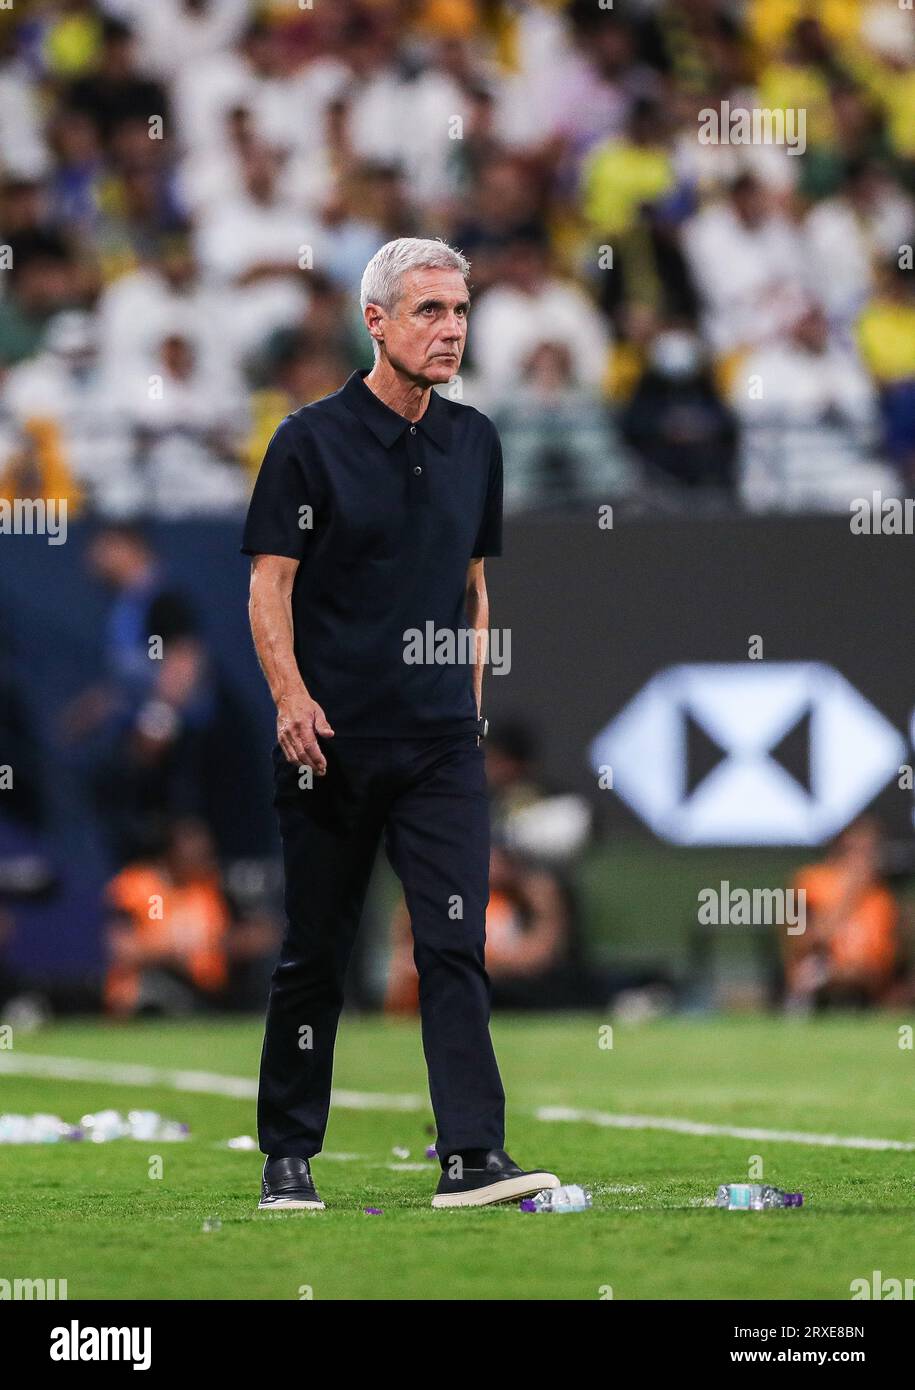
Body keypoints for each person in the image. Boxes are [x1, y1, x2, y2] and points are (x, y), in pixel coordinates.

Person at [242, 236, 560, 1211]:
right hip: (331, 741)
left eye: (460, 311)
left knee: (454, 942)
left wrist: (465, 714)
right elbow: (270, 585)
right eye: (429, 311)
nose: (451, 329)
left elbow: (474, 591)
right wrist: (292, 698)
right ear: (373, 322)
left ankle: (470, 1153)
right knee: (317, 951)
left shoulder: (477, 443)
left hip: (437, 748)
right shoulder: (309, 439)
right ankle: (288, 1155)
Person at [786, 818, 901, 1011]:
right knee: (811, 971)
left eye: (870, 851)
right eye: (856, 850)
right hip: (824, 971)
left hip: (869, 981)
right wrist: (850, 894)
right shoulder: (813, 882)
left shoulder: (882, 896)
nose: (864, 859)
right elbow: (802, 941)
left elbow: (890, 954)